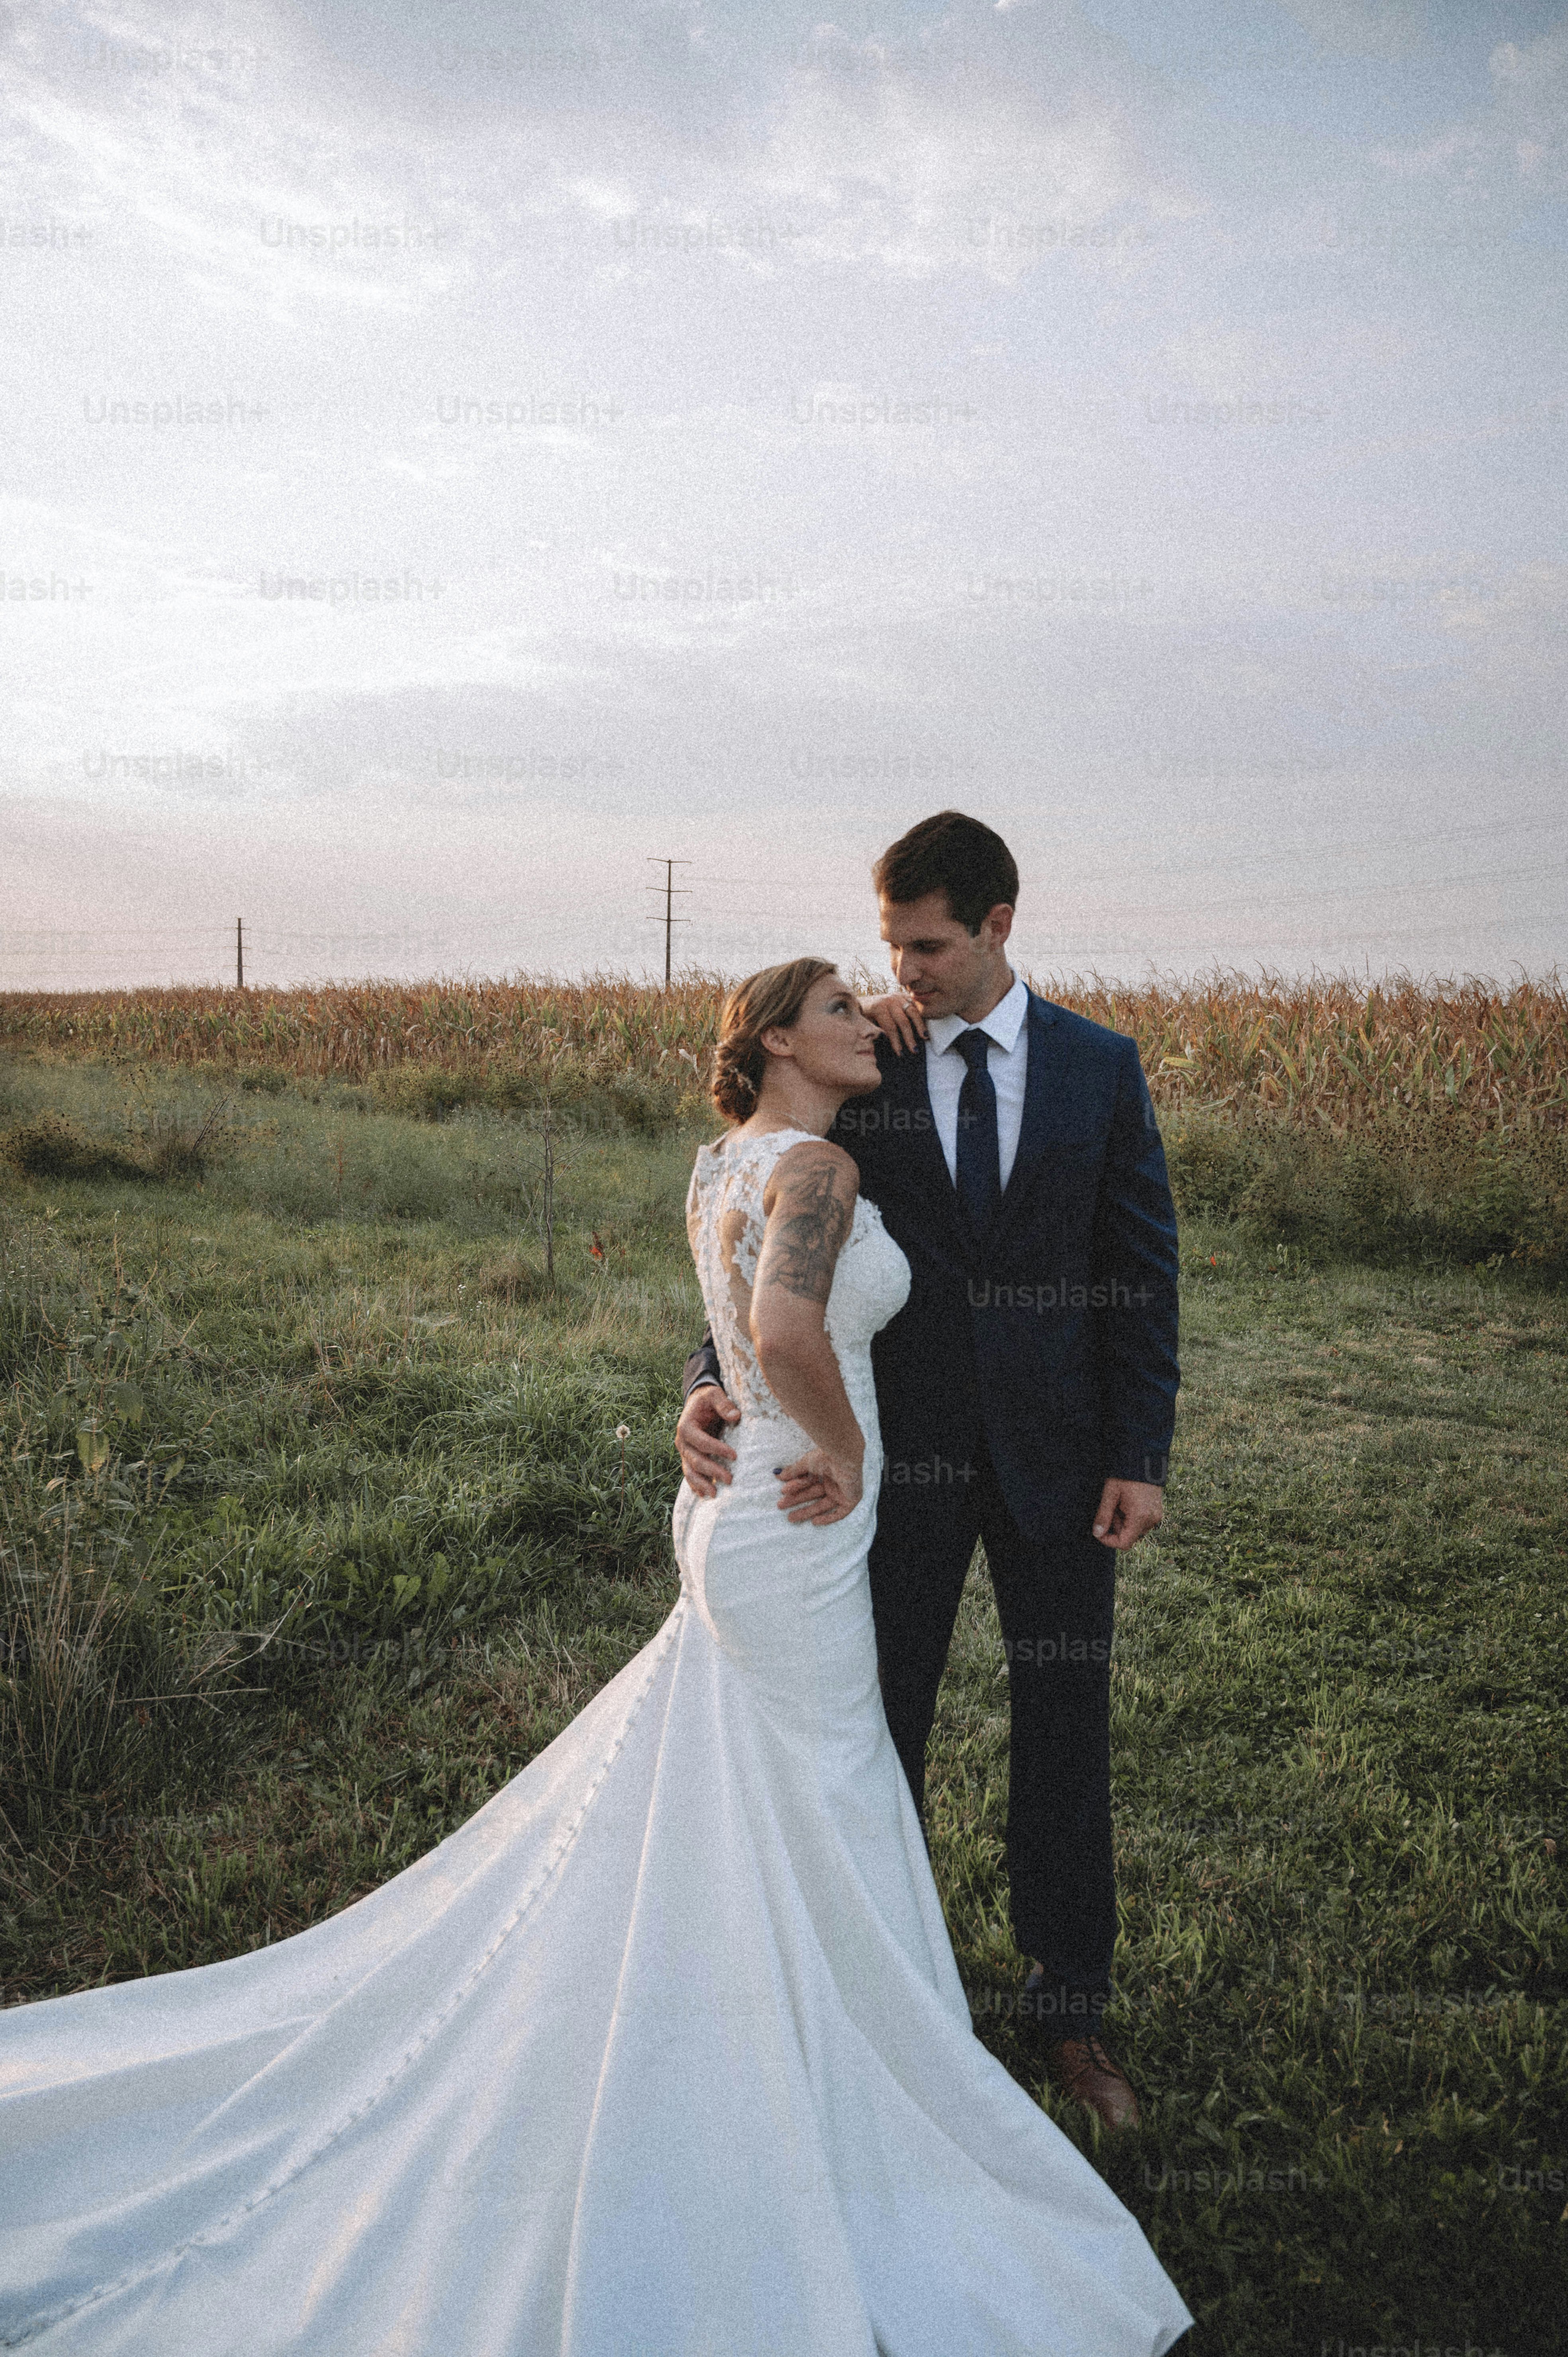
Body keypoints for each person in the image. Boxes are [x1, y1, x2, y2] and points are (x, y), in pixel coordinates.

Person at [0, 955, 1191, 2357]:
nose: (879, 1000)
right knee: (833, 1770)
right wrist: (825, 1437)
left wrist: (764, 1404)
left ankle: (907, 2012)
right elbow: (772, 1321)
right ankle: (813, 2050)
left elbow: (1095, 1261)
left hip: (807, 1503)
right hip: (811, 1505)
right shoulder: (828, 1150)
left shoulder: (751, 1149)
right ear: (774, 1042)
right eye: (841, 999)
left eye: (911, 957)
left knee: (785, 1769)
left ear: (987, 927)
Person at [678, 813, 1180, 2134]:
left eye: (928, 947)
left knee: (1063, 1740)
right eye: (890, 946)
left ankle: (1070, 2018)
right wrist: (705, 1384)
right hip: (886, 1476)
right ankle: (883, 2002)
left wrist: (1138, 1453)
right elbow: (764, 1246)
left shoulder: (1096, 1069)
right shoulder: (864, 1069)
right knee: (876, 1727)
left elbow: (1141, 1268)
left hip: (1065, 1468)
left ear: (999, 926)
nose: (902, 973)